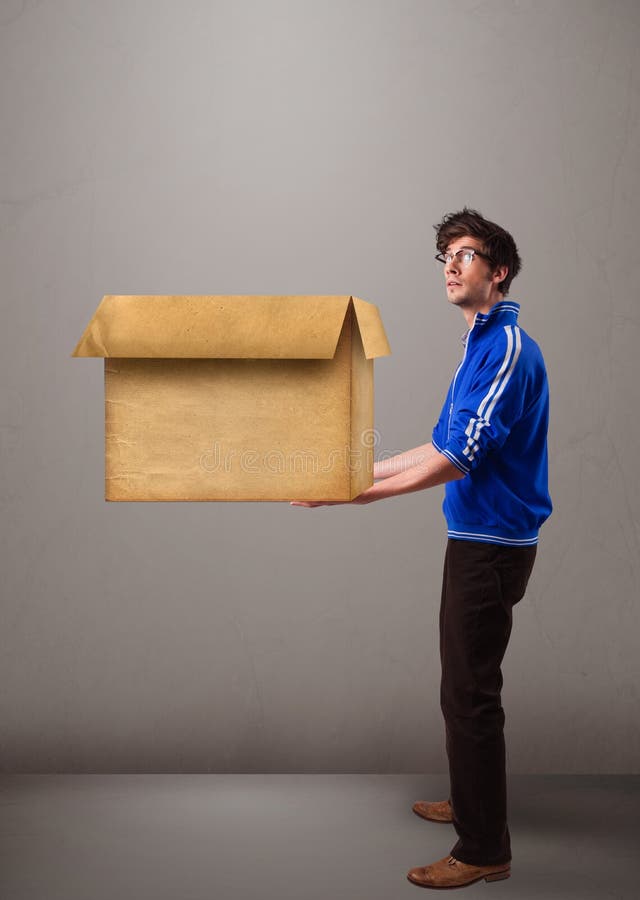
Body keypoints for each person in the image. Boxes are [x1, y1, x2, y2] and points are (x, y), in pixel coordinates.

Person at [291, 207, 552, 890]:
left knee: (470, 693)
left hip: (492, 544)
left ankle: (484, 848)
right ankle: (471, 803)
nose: (452, 266)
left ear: (498, 272)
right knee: (460, 686)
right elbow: (439, 443)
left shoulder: (508, 348)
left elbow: (459, 459)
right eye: (445, 257)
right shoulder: (479, 342)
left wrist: (358, 498)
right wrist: (354, 473)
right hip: (474, 536)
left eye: (466, 255)